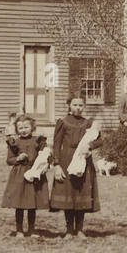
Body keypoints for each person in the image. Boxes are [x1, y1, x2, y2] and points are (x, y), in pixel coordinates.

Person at [50, 95, 101, 238]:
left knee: (81, 193)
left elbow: (100, 140)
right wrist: (57, 165)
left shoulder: (88, 123)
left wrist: (89, 146)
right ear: (69, 106)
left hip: (83, 159)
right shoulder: (63, 122)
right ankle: (68, 230)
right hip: (66, 159)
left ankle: (79, 229)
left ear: (84, 106)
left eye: (81, 105)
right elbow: (56, 143)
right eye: (75, 105)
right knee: (69, 193)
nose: (78, 108)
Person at [2, 114, 50, 237]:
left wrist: (45, 165)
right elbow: (9, 160)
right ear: (17, 130)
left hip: (34, 173)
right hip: (19, 175)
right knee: (20, 204)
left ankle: (32, 230)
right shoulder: (15, 142)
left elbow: (46, 155)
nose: (23, 130)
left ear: (32, 127)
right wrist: (18, 158)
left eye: (26, 127)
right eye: (20, 128)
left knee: (31, 204)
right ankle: (19, 230)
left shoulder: (37, 141)